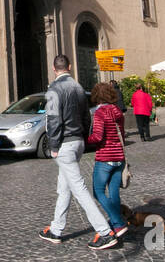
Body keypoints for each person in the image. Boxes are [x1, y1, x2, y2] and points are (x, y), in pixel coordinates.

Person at [38, 55, 118, 249]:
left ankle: (105, 232)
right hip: (78, 142)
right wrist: (83, 138)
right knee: (64, 187)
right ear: (70, 67)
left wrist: (54, 146)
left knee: (79, 189)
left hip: (64, 144)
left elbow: (53, 119)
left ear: (53, 68)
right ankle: (56, 229)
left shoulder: (53, 89)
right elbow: (86, 118)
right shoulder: (78, 88)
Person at [87, 83, 129, 239]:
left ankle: (118, 223)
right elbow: (122, 134)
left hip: (105, 157)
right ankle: (115, 220)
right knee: (113, 192)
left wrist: (85, 140)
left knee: (98, 192)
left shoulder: (100, 113)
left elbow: (97, 136)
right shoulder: (118, 111)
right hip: (119, 157)